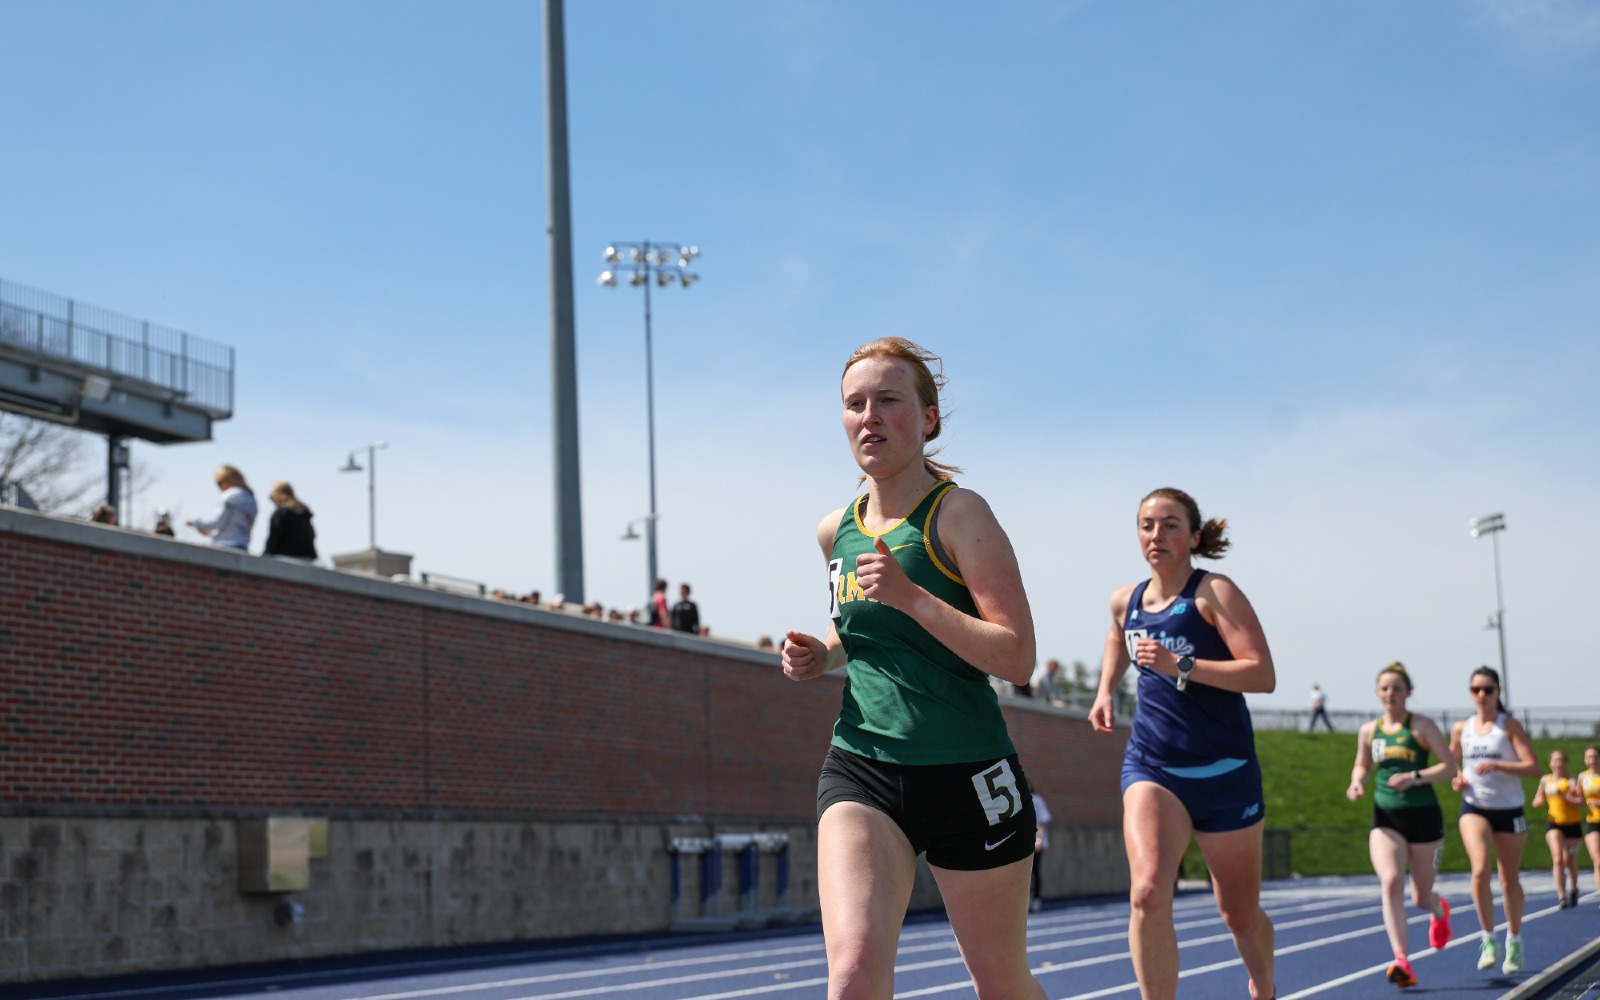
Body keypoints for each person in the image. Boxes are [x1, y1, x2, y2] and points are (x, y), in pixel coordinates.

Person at [781, 337, 1046, 1000]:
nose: (868, 417)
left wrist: (913, 596)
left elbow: (1016, 656)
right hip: (863, 765)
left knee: (1002, 984)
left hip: (969, 774)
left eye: (888, 401)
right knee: (852, 973)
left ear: (927, 419)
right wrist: (824, 653)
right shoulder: (834, 529)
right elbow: (859, 627)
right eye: (854, 404)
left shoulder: (959, 514)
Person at [1090, 487, 1277, 1000]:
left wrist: (1181, 665)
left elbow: (1262, 674)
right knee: (1148, 891)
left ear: (1193, 536)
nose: (1157, 535)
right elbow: (1116, 635)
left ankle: (1263, 985)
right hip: (1153, 767)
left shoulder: (1213, 593)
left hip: (1225, 773)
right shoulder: (1125, 600)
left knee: (1238, 913)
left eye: (1170, 525)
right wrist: (1105, 689)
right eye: (1148, 525)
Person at [1345, 662, 1457, 989]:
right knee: (1391, 881)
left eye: (1396, 688)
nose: (1390, 694)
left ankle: (1439, 911)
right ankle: (1401, 959)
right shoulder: (1369, 730)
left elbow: (1449, 768)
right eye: (1384, 688)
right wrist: (1357, 783)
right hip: (1386, 817)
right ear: (1377, 693)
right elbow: (1361, 765)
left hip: (1424, 818)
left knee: (1421, 897)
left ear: (1408, 692)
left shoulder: (1421, 727)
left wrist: (1415, 777)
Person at [1449, 665, 1539, 975]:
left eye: (1488, 689)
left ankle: (1514, 939)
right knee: (1478, 870)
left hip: (1509, 809)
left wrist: (1500, 766)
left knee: (1508, 879)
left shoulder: (1508, 726)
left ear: (1498, 692)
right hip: (1475, 806)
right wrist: (1457, 780)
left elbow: (1532, 767)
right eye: (1476, 689)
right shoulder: (1462, 728)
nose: (1482, 695)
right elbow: (1452, 766)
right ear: (1470, 693)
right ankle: (1488, 938)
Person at [1532, 748, 1585, 910]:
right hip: (1553, 823)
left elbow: (1581, 803)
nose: (1558, 764)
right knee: (1558, 859)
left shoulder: (1571, 781)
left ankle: (1574, 889)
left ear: (1566, 763)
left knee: (1570, 861)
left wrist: (1564, 795)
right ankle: (1562, 896)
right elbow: (1538, 799)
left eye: (1561, 760)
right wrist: (1538, 803)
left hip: (1572, 825)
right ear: (1550, 763)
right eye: (1555, 760)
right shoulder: (1545, 780)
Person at [186, 464, 257, 551]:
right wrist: (211, 534)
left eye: (219, 483)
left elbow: (217, 522)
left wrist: (194, 522)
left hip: (224, 547)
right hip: (242, 547)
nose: (219, 488)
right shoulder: (251, 499)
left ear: (227, 480)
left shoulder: (229, 496)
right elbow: (235, 527)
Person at [262, 480, 317, 560]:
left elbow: (273, 541)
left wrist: (264, 557)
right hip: (307, 559)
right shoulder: (304, 514)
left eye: (271, 497)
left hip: (286, 560)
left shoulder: (281, 513)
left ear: (277, 496)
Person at [1579, 746, 1600, 906]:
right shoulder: (1582, 777)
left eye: (1595, 756)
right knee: (1598, 861)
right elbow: (1579, 800)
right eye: (1589, 757)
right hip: (1592, 822)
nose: (1592, 760)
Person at [1031, 791, 1053, 912]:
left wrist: (1039, 839)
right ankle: (1029, 899)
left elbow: (1042, 821)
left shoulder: (1036, 800)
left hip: (1035, 842)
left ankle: (1036, 899)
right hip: (1024, 843)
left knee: (1035, 871)